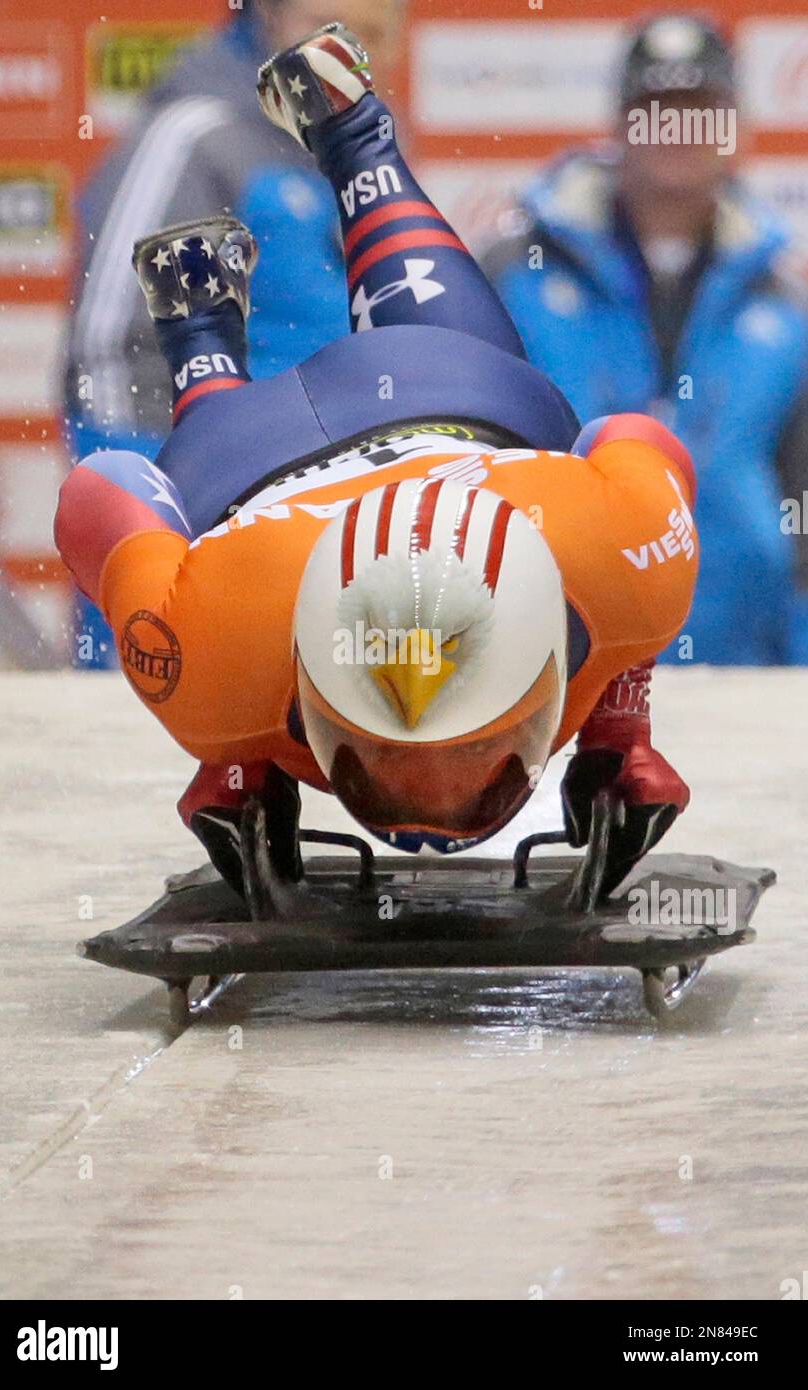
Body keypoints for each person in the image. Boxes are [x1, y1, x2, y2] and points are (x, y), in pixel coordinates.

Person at [55, 22, 699, 898]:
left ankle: (221, 313)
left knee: (215, 486)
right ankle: (220, 314)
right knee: (209, 483)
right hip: (290, 451)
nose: (423, 812)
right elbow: (111, 494)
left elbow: (103, 490)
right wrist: (619, 733)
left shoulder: (219, 652)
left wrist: (236, 754)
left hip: (373, 427)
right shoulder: (626, 555)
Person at [63, 0, 403, 666]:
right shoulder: (197, 133)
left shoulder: (361, 151)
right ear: (272, 18)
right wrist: (156, 513)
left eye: (370, 36)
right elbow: (109, 346)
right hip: (205, 521)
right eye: (326, 25)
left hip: (332, 528)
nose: (342, 52)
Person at [482, 12, 808, 665]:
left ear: (734, 127)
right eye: (655, 108)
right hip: (553, 671)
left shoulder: (787, 297)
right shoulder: (513, 272)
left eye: (697, 108)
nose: (676, 132)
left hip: (746, 677)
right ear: (618, 122)